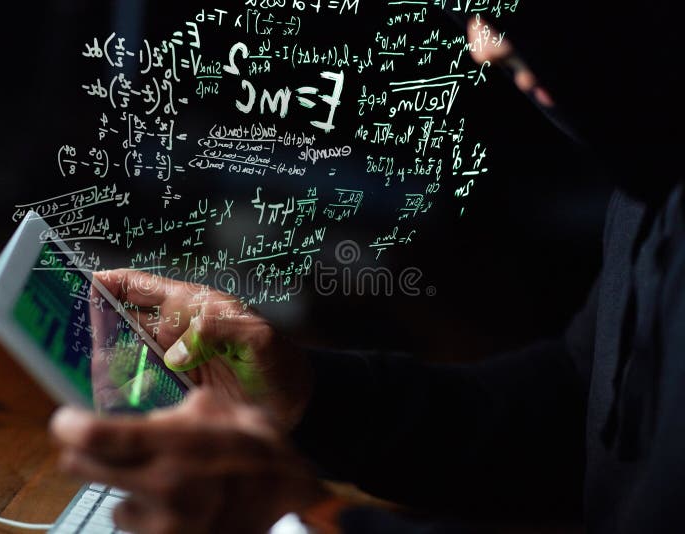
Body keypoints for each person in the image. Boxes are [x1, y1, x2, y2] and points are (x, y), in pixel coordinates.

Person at [50, 3, 685, 533]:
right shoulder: (652, 164)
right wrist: (310, 398)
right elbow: (578, 407)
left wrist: (302, 517)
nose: (484, 46)